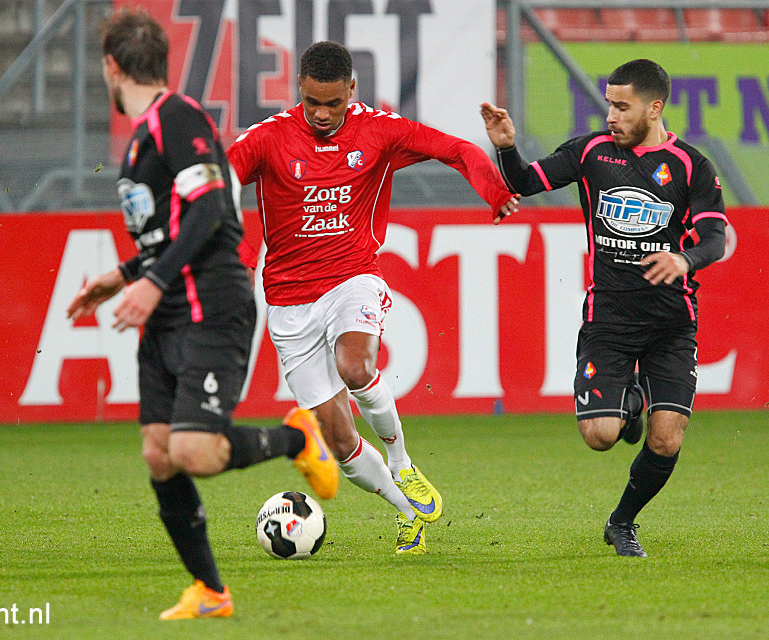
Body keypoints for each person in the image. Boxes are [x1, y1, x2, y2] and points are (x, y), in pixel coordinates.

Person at [66, 9, 338, 620]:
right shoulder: (143, 136)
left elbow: (212, 207)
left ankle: (297, 436)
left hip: (210, 306)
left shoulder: (177, 117)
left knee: (194, 450)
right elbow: (170, 229)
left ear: (112, 67)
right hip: (166, 311)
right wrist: (122, 276)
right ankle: (211, 591)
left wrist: (152, 280)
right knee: (159, 452)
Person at [227, 41, 520, 554]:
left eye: (333, 103)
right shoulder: (269, 138)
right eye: (312, 102)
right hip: (289, 301)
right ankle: (408, 515)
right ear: (299, 89)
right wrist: (242, 250)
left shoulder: (380, 130)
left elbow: (456, 149)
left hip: (352, 276)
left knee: (356, 367)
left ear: (351, 90)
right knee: (340, 443)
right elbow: (215, 184)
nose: (322, 114)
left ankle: (402, 462)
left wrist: (495, 191)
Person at [480, 59, 727, 557]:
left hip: (671, 324)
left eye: (622, 107)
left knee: (666, 439)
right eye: (609, 105)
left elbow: (715, 239)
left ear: (654, 108)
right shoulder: (592, 152)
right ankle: (629, 403)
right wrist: (506, 148)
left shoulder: (690, 165)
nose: (611, 116)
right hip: (609, 321)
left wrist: (684, 258)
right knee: (599, 435)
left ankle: (622, 522)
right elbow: (524, 181)